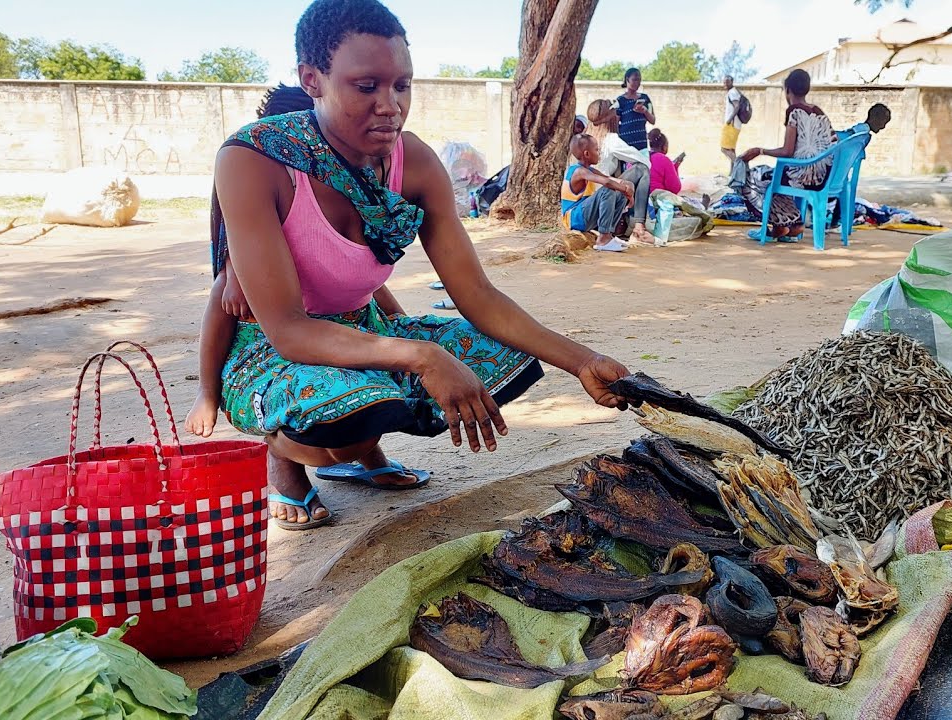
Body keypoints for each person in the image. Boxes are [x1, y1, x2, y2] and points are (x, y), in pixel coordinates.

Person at [212, 0, 632, 529]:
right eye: (367, 86)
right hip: (271, 349)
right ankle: (285, 456)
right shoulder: (255, 161)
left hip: (363, 330)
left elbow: (477, 295)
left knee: (506, 353)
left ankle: (366, 435)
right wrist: (424, 357)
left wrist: (583, 361)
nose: (390, 106)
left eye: (402, 86)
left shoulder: (413, 162)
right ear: (311, 79)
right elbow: (289, 329)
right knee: (343, 426)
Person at [189, 81, 431, 490]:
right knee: (316, 396)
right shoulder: (257, 189)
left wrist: (401, 330)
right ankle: (283, 460)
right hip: (285, 347)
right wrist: (207, 392)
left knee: (374, 392)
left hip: (348, 331)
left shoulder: (348, 183)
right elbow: (222, 310)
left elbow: (358, 276)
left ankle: (370, 453)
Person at [740, 69, 837, 240]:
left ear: (788, 90)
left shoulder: (794, 111)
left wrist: (760, 151)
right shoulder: (818, 111)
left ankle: (779, 226)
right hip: (822, 177)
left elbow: (787, 152)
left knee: (754, 176)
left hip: (801, 175)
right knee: (776, 175)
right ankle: (793, 225)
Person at [587, 99, 654, 245]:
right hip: (602, 199)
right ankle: (639, 227)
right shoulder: (611, 140)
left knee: (618, 178)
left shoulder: (584, 138)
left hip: (586, 205)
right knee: (642, 169)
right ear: (611, 118)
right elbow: (643, 161)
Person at [563, 134, 636, 252]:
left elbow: (611, 179)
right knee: (608, 190)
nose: (600, 153)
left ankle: (609, 235)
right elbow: (607, 182)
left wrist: (628, 185)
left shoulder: (590, 170)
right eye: (596, 150)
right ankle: (603, 239)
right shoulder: (579, 171)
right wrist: (626, 190)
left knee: (618, 192)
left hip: (584, 216)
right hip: (575, 219)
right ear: (587, 154)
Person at [614, 68, 655, 151]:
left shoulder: (645, 98)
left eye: (639, 80)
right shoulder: (620, 100)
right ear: (627, 80)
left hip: (641, 142)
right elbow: (615, 124)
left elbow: (653, 120)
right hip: (626, 144)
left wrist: (645, 111)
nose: (637, 83)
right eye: (634, 80)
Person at [647, 129, 683, 195]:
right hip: (656, 197)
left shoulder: (643, 155)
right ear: (664, 147)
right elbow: (675, 188)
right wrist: (675, 167)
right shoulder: (664, 159)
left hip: (639, 196)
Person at [721, 75, 743, 168]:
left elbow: (737, 106)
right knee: (731, 149)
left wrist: (729, 120)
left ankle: (740, 166)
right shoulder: (735, 92)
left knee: (724, 148)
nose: (725, 84)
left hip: (732, 124)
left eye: (727, 82)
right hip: (735, 124)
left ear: (732, 82)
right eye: (724, 82)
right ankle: (733, 172)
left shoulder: (732, 92)